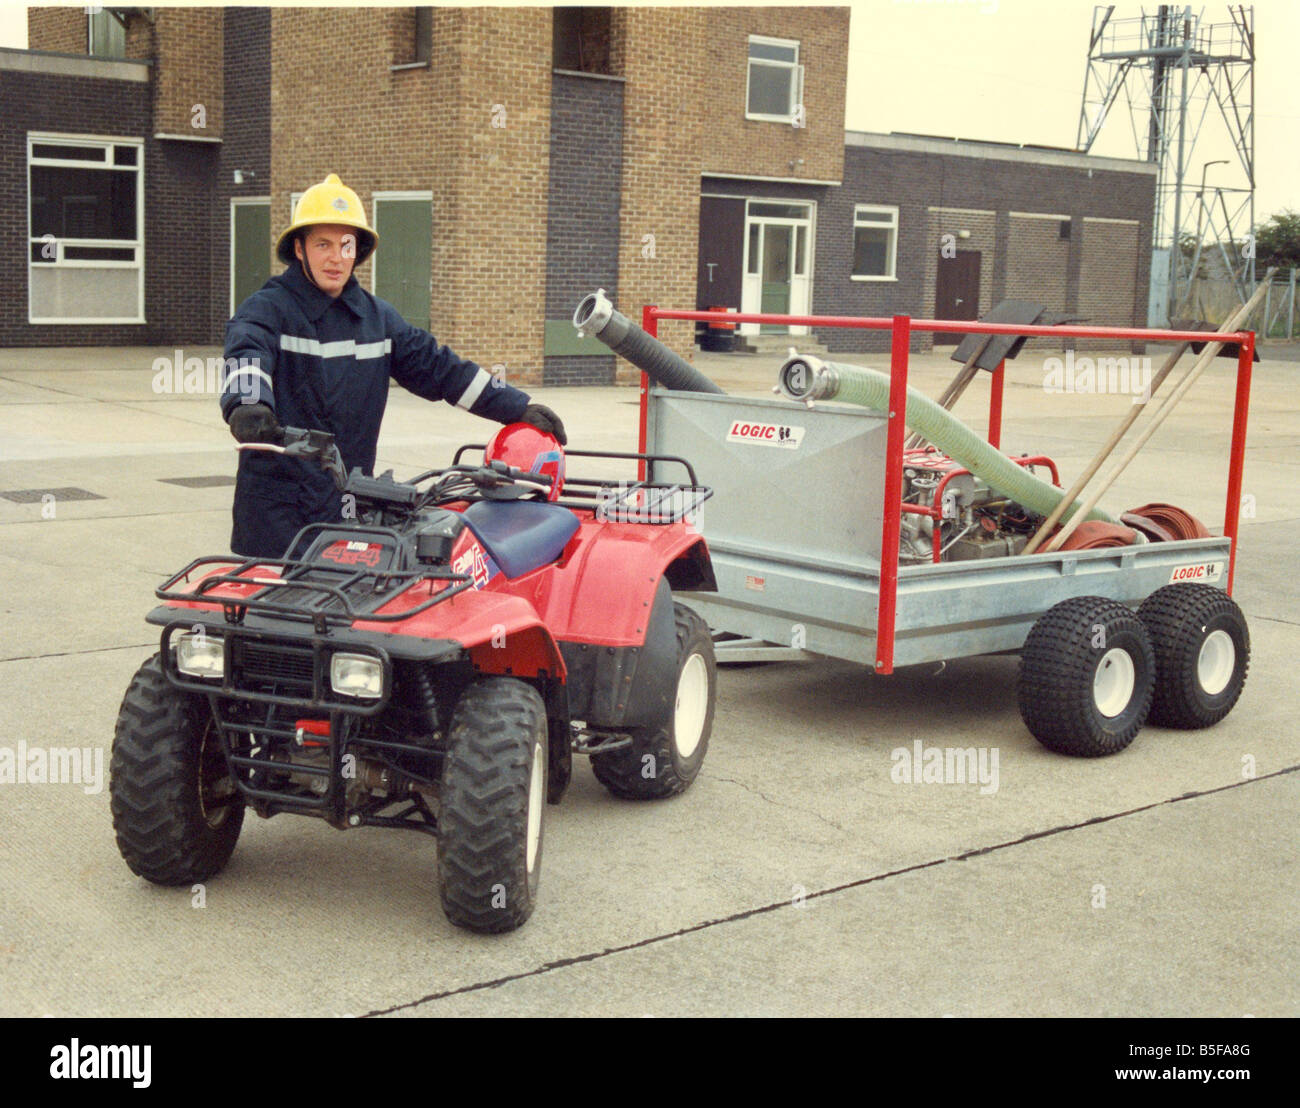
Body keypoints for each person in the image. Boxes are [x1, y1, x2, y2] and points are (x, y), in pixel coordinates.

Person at [220, 172, 566, 558]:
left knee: (349, 609)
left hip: (349, 505)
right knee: (272, 614)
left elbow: (439, 368)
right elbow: (247, 350)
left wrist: (515, 406)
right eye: (323, 244)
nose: (336, 257)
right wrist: (247, 404)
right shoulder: (268, 308)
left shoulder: (377, 319)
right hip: (275, 516)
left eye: (346, 245)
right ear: (299, 249)